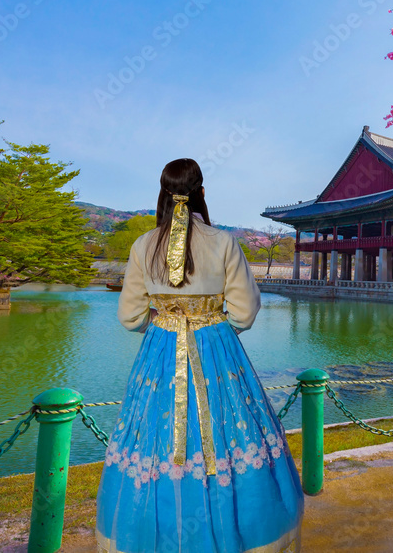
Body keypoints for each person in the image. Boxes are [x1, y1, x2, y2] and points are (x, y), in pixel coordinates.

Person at [96, 159, 303, 552]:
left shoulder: (143, 245)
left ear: (162, 194)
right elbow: (244, 310)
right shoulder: (223, 242)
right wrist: (216, 328)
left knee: (152, 441)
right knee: (229, 437)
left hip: (160, 350)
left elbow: (130, 316)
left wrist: (162, 325)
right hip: (216, 349)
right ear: (201, 193)